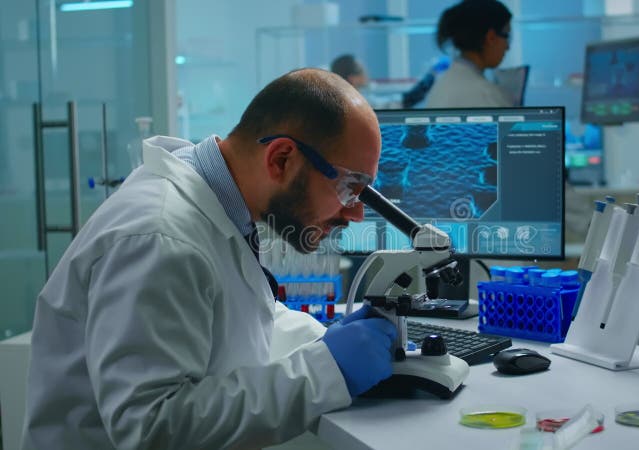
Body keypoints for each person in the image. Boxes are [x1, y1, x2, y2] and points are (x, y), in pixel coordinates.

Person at [23, 68, 398, 449]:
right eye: (351, 187)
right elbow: (152, 428)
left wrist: (326, 340)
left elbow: (233, 321)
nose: (356, 214)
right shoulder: (159, 239)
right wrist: (327, 370)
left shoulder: (219, 204)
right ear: (281, 159)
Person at [425, 0, 514, 108]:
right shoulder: (484, 94)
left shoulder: (444, 84)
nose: (507, 47)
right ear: (491, 37)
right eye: (507, 36)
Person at [330, 53, 448, 109]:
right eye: (362, 70)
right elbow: (407, 101)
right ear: (352, 79)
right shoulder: (360, 106)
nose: (367, 73)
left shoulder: (337, 102)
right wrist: (432, 74)